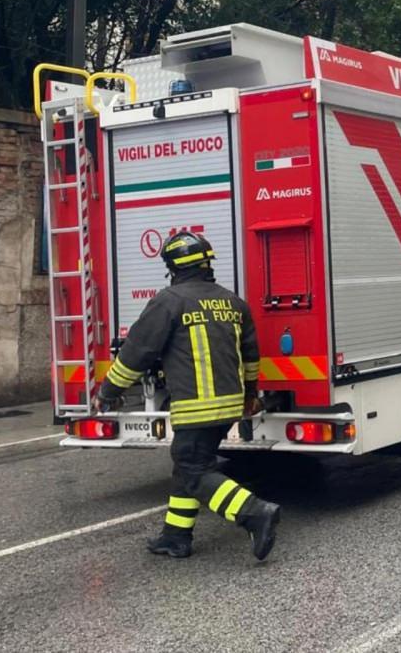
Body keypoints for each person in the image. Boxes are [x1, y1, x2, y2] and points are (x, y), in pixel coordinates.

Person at [93, 232, 281, 561]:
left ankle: (254, 512)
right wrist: (251, 395)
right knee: (187, 467)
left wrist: (109, 392)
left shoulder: (168, 301)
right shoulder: (233, 303)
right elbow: (251, 356)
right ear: (207, 263)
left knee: (195, 472)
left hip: (196, 409)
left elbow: (137, 352)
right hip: (230, 405)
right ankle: (175, 536)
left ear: (172, 268)